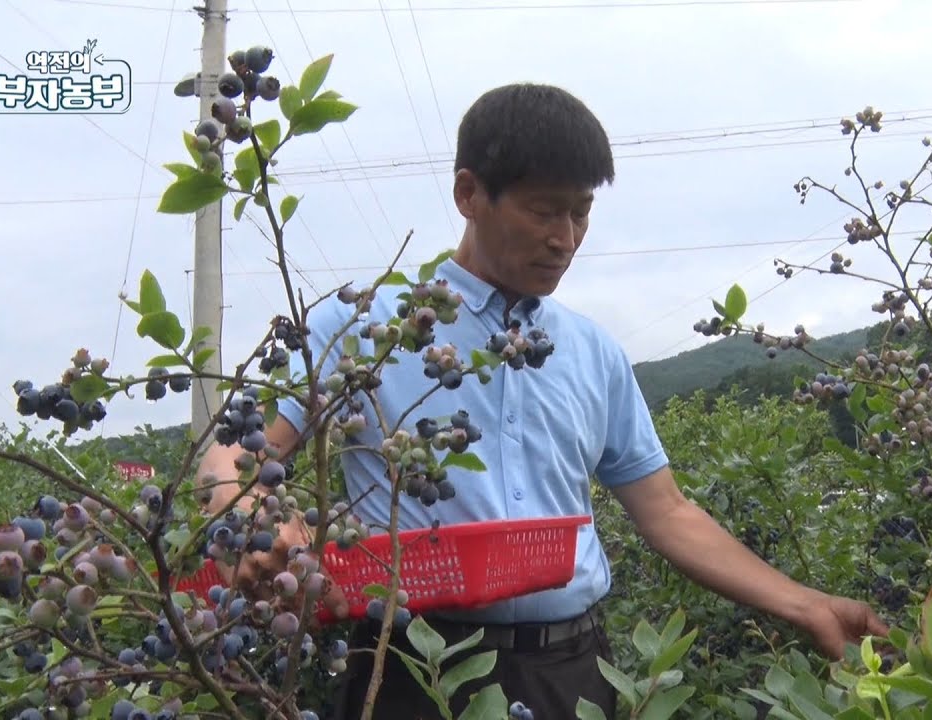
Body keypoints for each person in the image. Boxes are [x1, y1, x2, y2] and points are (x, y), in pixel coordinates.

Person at [197, 82, 889, 719]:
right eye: (542, 211)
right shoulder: (365, 329)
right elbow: (236, 447)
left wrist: (807, 605)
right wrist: (242, 506)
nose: (565, 238)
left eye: (580, 213)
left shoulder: (594, 354)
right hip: (409, 669)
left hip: (573, 671)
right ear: (470, 193)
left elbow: (670, 513)